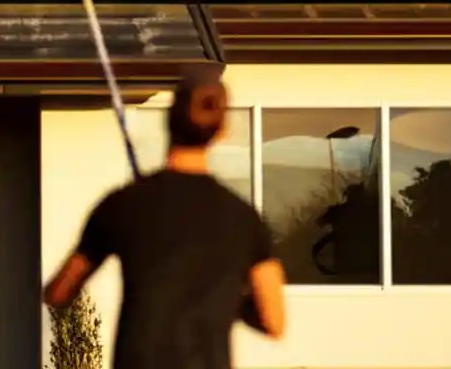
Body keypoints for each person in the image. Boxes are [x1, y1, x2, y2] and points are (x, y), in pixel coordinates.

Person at [43, 64, 287, 369]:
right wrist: (226, 297)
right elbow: (274, 322)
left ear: (169, 122)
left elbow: (59, 292)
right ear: (222, 131)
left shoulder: (123, 205)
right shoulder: (245, 219)